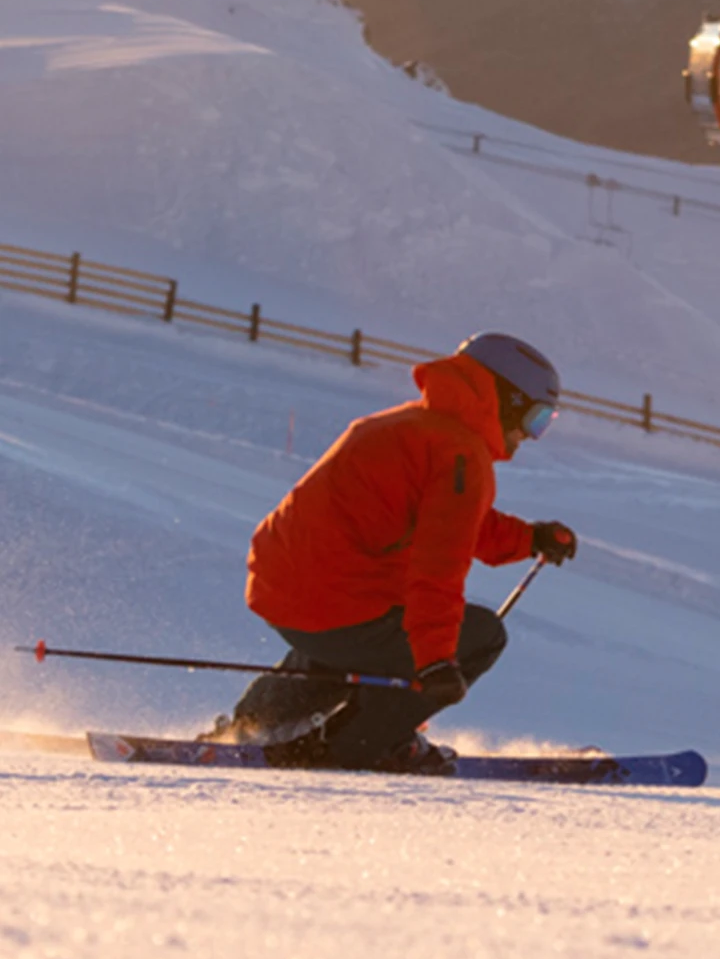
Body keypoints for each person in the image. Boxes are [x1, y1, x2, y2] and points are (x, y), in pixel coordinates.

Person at [226, 332, 578, 774]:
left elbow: (447, 519)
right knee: (480, 636)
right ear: (506, 400)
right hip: (334, 602)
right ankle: (356, 747)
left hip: (284, 590)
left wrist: (527, 539)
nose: (531, 436)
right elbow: (439, 569)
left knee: (366, 632)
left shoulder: (412, 425)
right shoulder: (460, 454)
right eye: (536, 419)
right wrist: (434, 663)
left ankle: (255, 725)